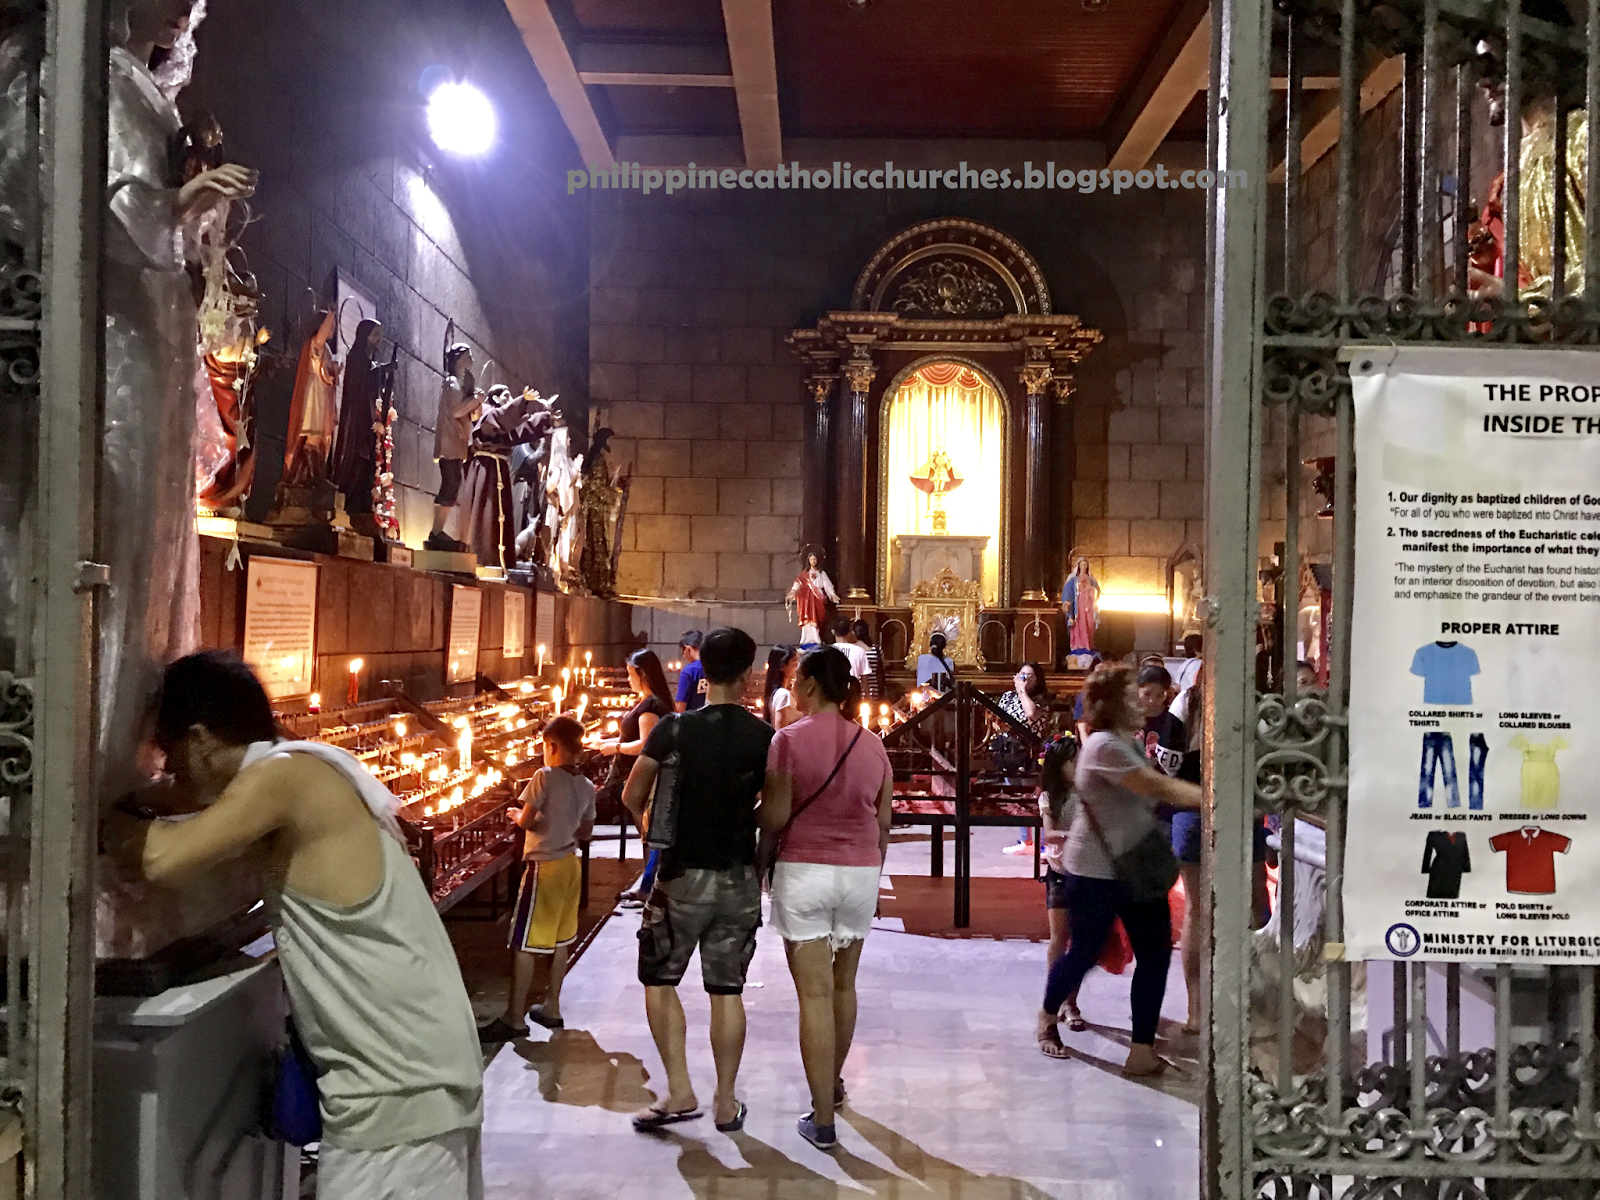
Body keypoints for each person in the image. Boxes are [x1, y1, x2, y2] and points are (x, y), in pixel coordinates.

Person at [104, 651, 483, 1197]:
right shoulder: (302, 768)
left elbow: (166, 859)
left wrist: (100, 818)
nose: (169, 771)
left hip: (397, 1091)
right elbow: (185, 800)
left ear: (200, 739)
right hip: (414, 1074)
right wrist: (145, 798)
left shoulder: (287, 780)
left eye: (170, 754)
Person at [622, 628, 772, 1134]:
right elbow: (771, 811)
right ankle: (726, 1102)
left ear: (702, 671)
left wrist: (652, 826)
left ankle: (680, 1089)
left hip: (681, 875)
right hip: (737, 876)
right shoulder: (763, 738)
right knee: (726, 989)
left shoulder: (674, 729)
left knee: (660, 979)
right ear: (749, 676)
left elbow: (631, 793)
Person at [1036, 664, 1202, 1075]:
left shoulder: (1124, 741)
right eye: (1131, 694)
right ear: (1112, 703)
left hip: (1132, 867)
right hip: (1096, 869)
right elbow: (1155, 786)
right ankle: (1046, 1015)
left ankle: (1141, 1049)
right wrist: (1214, 797)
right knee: (1085, 951)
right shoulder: (1104, 745)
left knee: (1154, 954)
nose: (1139, 700)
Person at [761, 647, 894, 1151]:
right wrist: (873, 874)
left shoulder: (787, 741)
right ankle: (833, 1086)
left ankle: (821, 1118)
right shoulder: (874, 746)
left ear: (813, 684)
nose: (793, 687)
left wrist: (760, 856)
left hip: (805, 873)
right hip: (860, 873)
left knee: (813, 995)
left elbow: (774, 816)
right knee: (844, 986)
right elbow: (882, 823)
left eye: (797, 679)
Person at [482, 715, 595, 1041]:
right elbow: (585, 830)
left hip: (543, 867)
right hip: (570, 866)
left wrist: (517, 814)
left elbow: (526, 822)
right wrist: (564, 823)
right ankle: (552, 1007)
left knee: (524, 942)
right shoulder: (585, 785)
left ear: (552, 746)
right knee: (561, 941)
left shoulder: (543, 777)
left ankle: (515, 1018)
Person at [600, 649, 673, 907]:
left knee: (649, 832)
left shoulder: (651, 705)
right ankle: (649, 883)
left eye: (631, 674)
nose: (629, 679)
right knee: (648, 832)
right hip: (642, 775)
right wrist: (609, 742)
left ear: (642, 674)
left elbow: (645, 744)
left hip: (645, 778)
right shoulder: (650, 701)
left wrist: (616, 748)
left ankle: (650, 886)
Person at [1038, 737, 1084, 1029]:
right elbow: (1049, 834)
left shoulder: (1087, 792)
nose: (1078, 766)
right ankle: (1053, 999)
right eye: (1073, 761)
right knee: (1059, 939)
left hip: (1082, 870)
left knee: (1080, 942)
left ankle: (1072, 1003)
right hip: (1058, 872)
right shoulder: (1049, 797)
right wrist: (1080, 835)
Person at [427, 343, 483, 552]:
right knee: (450, 482)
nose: (471, 360)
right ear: (458, 359)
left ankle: (438, 531)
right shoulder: (451, 383)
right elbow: (457, 411)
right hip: (449, 442)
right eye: (468, 356)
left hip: (458, 443)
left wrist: (476, 402)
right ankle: (436, 531)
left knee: (454, 483)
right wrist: (474, 400)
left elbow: (472, 415)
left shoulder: (463, 384)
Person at [999, 662, 1052, 856]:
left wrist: (1022, 692)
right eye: (1022, 675)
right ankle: (1025, 839)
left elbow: (1031, 714)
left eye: (1030, 676)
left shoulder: (1041, 699)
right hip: (1009, 752)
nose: (1025, 679)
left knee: (1034, 797)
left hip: (1030, 754)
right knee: (1016, 796)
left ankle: (1045, 843)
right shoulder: (1007, 696)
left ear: (1037, 680)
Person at [1135, 665, 1186, 779]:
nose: (1152, 701)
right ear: (1137, 690)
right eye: (1146, 694)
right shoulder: (1128, 717)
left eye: (1159, 695)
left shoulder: (1172, 719)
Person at [787, 547, 838, 645]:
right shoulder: (804, 574)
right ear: (808, 561)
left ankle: (816, 637)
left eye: (814, 559)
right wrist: (793, 591)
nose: (813, 561)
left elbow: (827, 585)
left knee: (817, 618)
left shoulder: (821, 573)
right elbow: (798, 584)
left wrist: (832, 594)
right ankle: (806, 638)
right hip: (806, 600)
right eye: (811, 559)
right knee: (807, 619)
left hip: (817, 599)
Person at [1062, 558, 1100, 654]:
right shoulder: (1073, 580)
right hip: (1078, 607)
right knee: (1078, 624)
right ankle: (1078, 645)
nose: (1083, 567)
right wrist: (1067, 602)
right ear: (1078, 566)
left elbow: (1097, 592)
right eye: (1082, 565)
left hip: (1088, 606)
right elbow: (1067, 592)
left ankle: (1089, 644)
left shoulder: (1091, 579)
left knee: (1089, 624)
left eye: (1085, 565)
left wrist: (1090, 589)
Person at [764, 645, 801, 729]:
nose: (798, 668)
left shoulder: (785, 692)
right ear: (782, 667)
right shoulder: (784, 695)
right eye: (794, 664)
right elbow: (780, 730)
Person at [675, 630, 707, 713]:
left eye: (683, 651)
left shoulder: (689, 671)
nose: (684, 655)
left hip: (693, 722)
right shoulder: (717, 666)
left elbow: (680, 707)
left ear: (688, 648)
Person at [852, 620, 885, 701]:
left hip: (856, 692)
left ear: (854, 633)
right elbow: (883, 665)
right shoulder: (876, 649)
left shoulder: (852, 649)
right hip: (874, 690)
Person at [831, 617, 871, 681]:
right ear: (850, 631)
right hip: (853, 689)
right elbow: (864, 680)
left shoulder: (828, 652)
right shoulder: (859, 651)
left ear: (833, 631)